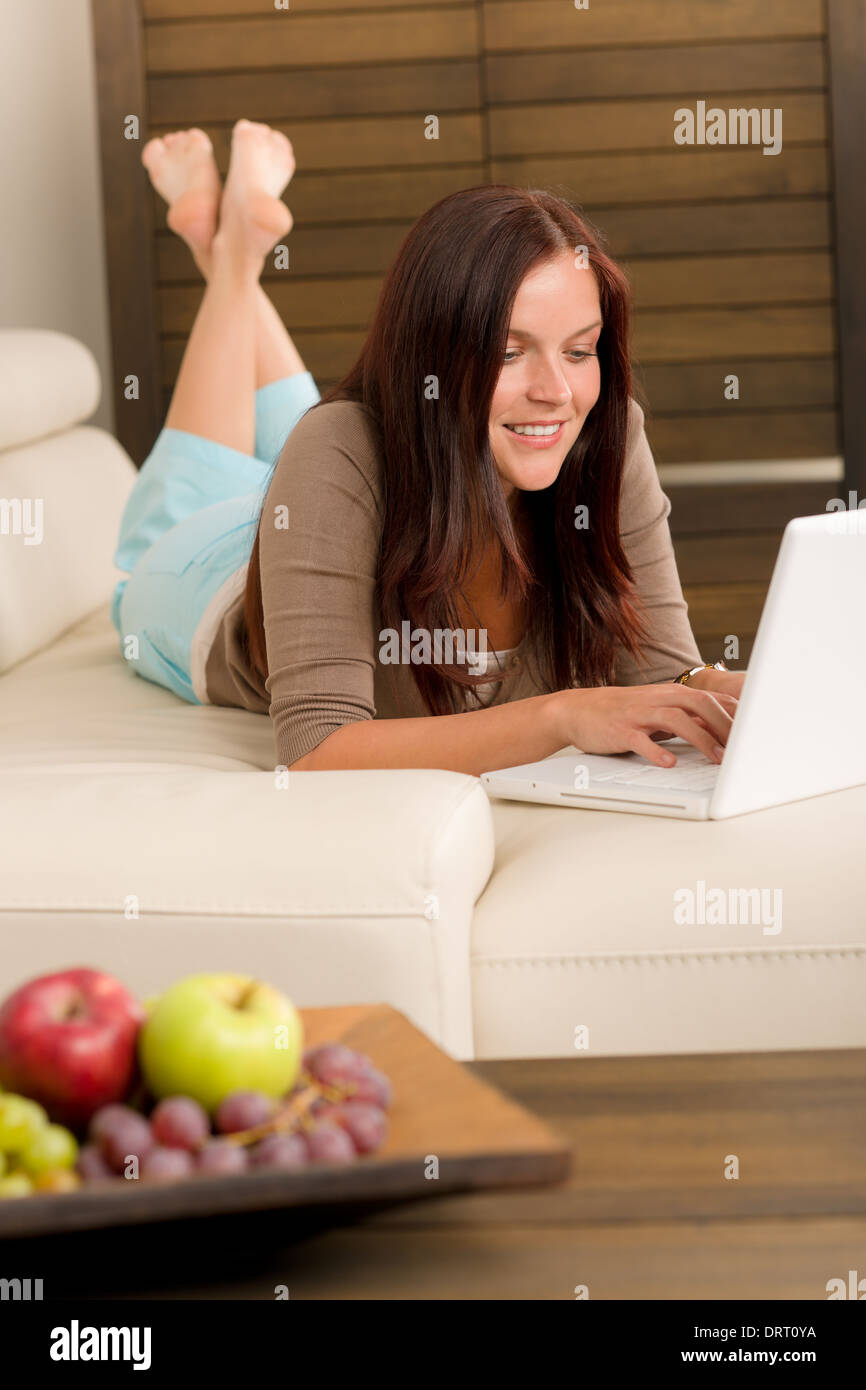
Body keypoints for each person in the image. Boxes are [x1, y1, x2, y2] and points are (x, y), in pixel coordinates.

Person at [112, 120, 742, 778]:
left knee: (320, 434)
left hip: (331, 495)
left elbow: (668, 674)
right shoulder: (336, 451)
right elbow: (314, 750)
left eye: (580, 350)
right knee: (247, 465)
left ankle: (227, 244)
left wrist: (747, 689)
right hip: (197, 571)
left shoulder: (604, 427)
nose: (558, 391)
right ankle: (235, 259)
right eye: (508, 351)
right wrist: (560, 716)